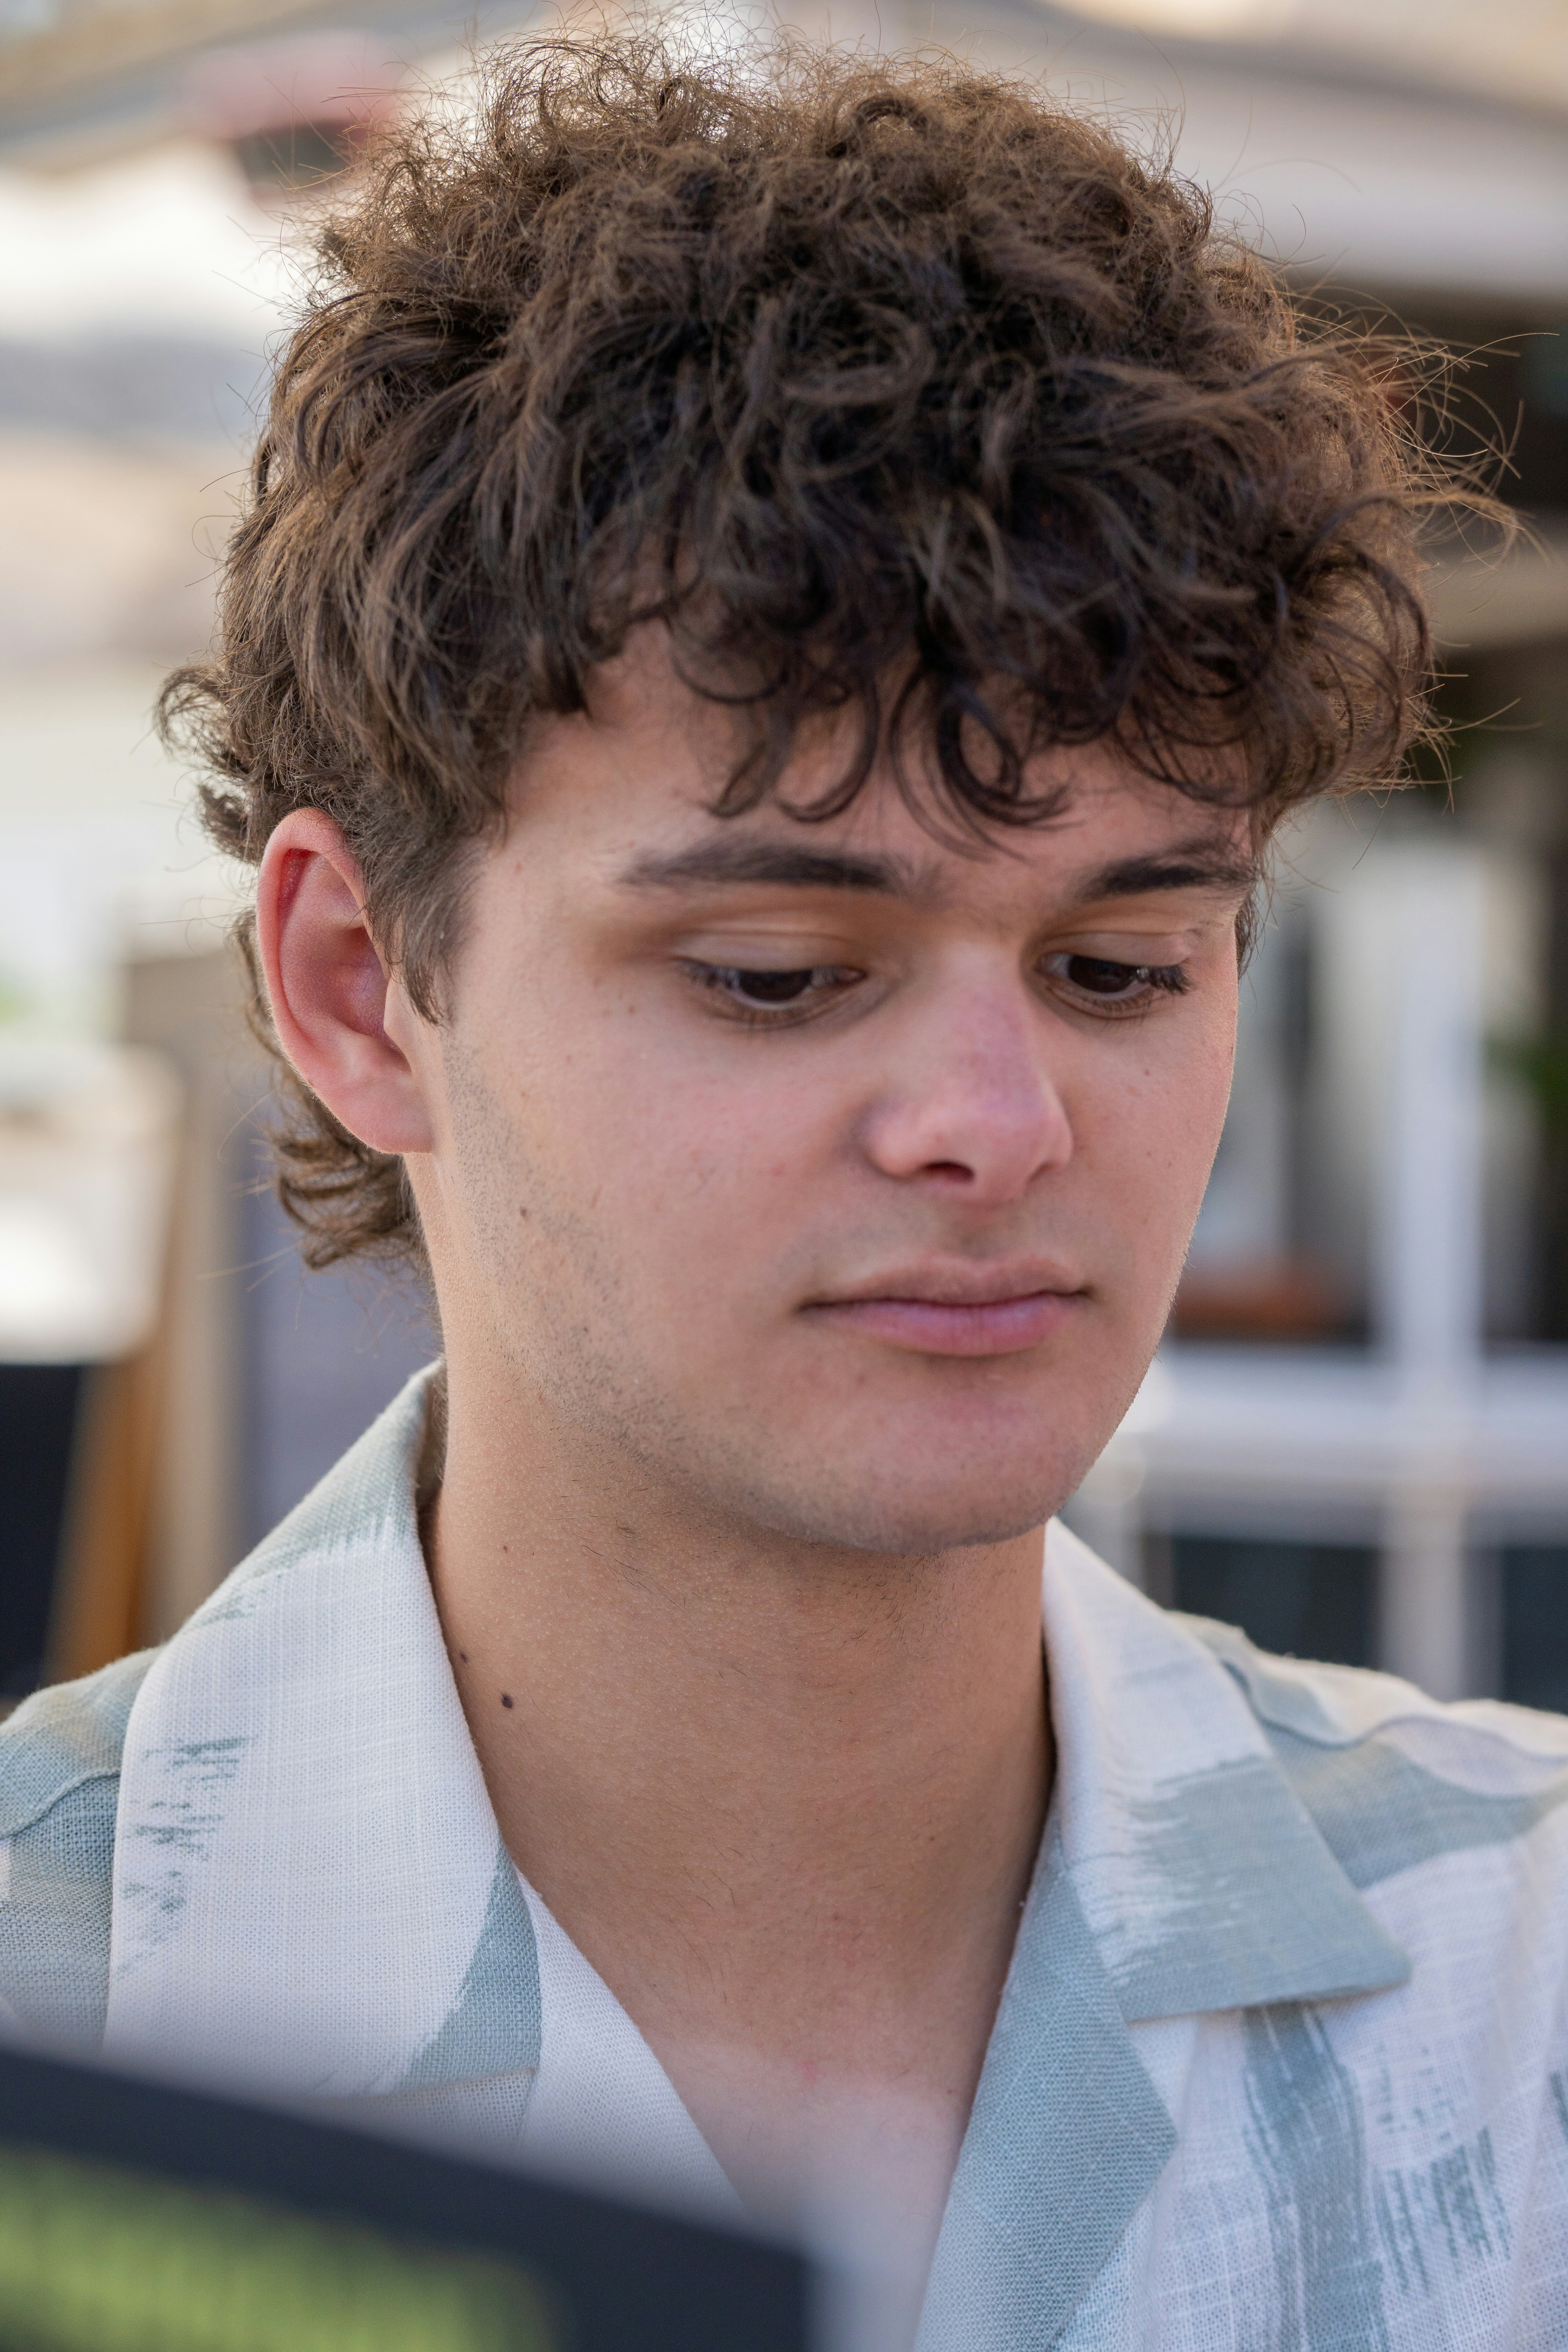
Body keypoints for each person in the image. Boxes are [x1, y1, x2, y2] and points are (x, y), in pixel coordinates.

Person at [4, 32, 1564, 2349]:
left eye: (1123, 964)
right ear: (356, 985)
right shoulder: (63, 2036)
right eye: (776, 971)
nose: (999, 1119)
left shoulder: (1522, 1979)